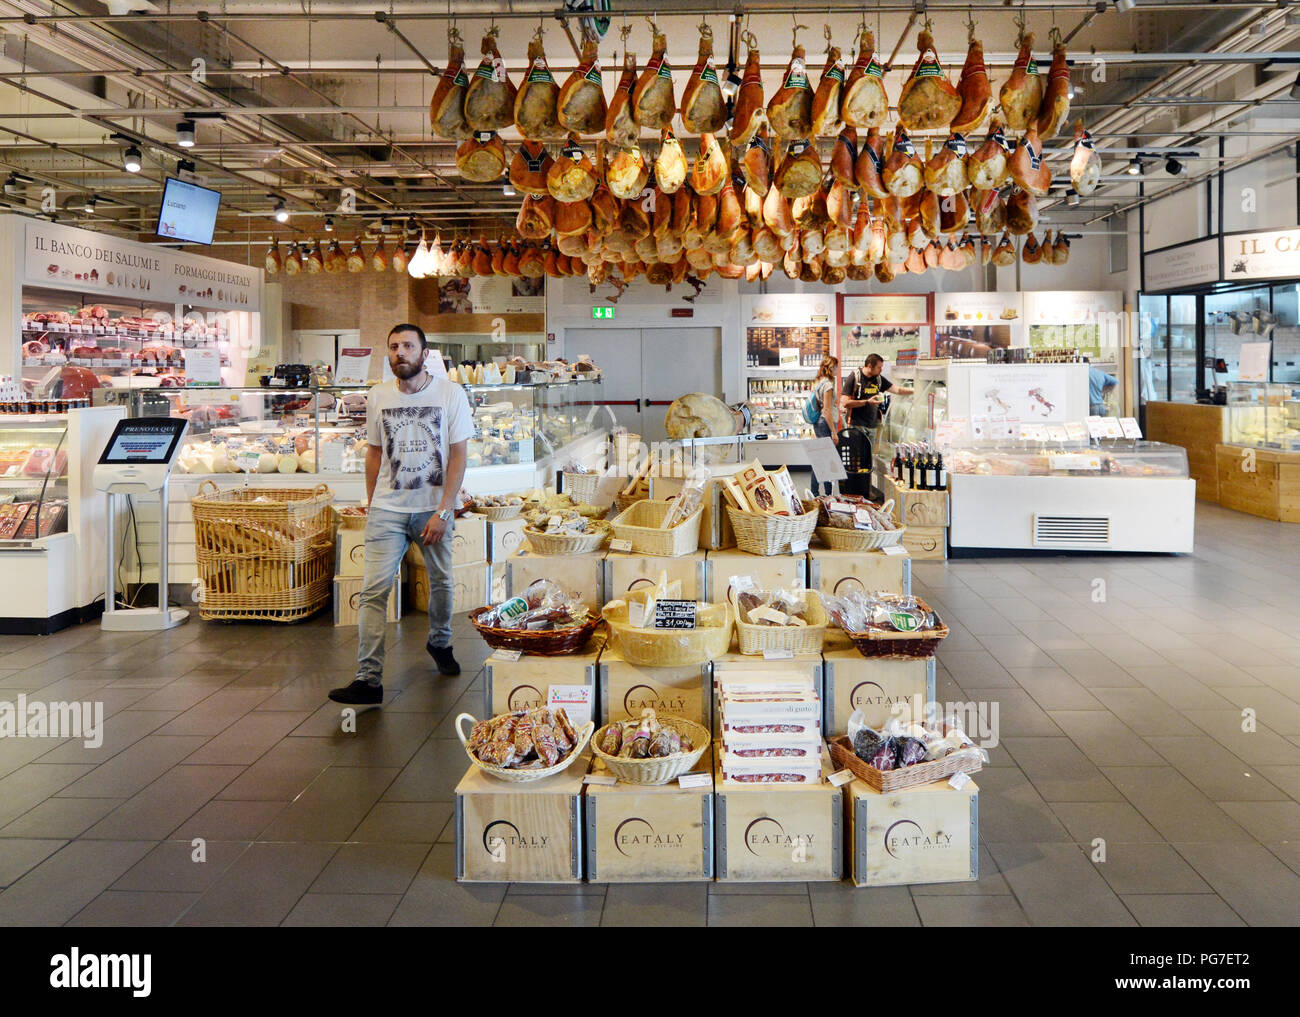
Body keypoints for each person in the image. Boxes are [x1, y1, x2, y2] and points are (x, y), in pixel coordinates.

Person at [329, 323, 473, 706]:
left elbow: (459, 455)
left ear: (425, 354)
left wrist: (445, 510)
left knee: (441, 583)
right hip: (387, 510)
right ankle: (368, 678)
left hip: (432, 507)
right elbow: (374, 452)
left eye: (408, 346)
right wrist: (373, 501)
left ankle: (440, 642)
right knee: (374, 590)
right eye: (394, 347)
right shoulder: (377, 396)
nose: (400, 352)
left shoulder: (450, 393)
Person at [839, 354, 914, 493]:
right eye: (879, 367)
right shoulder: (854, 377)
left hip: (872, 426)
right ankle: (855, 492)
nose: (881, 370)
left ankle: (865, 491)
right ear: (869, 366)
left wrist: (915, 390)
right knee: (856, 460)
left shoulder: (878, 379)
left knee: (868, 461)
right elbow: (845, 402)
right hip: (856, 425)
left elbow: (896, 389)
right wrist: (867, 401)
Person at [808, 355, 839, 496]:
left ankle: (820, 492)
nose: (838, 369)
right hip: (825, 424)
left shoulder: (820, 382)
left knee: (822, 458)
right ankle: (820, 493)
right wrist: (834, 432)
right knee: (824, 459)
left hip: (819, 423)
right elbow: (826, 410)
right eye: (836, 366)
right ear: (831, 367)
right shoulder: (828, 385)